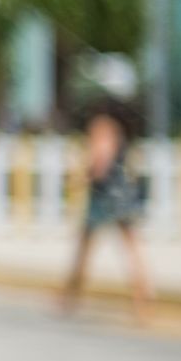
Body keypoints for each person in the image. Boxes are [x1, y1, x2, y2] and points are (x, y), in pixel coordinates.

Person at [60, 96, 152, 323]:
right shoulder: (119, 128)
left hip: (104, 195)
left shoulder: (101, 125)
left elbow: (101, 158)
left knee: (84, 247)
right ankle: (142, 299)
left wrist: (83, 177)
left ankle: (70, 296)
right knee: (131, 246)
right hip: (122, 193)